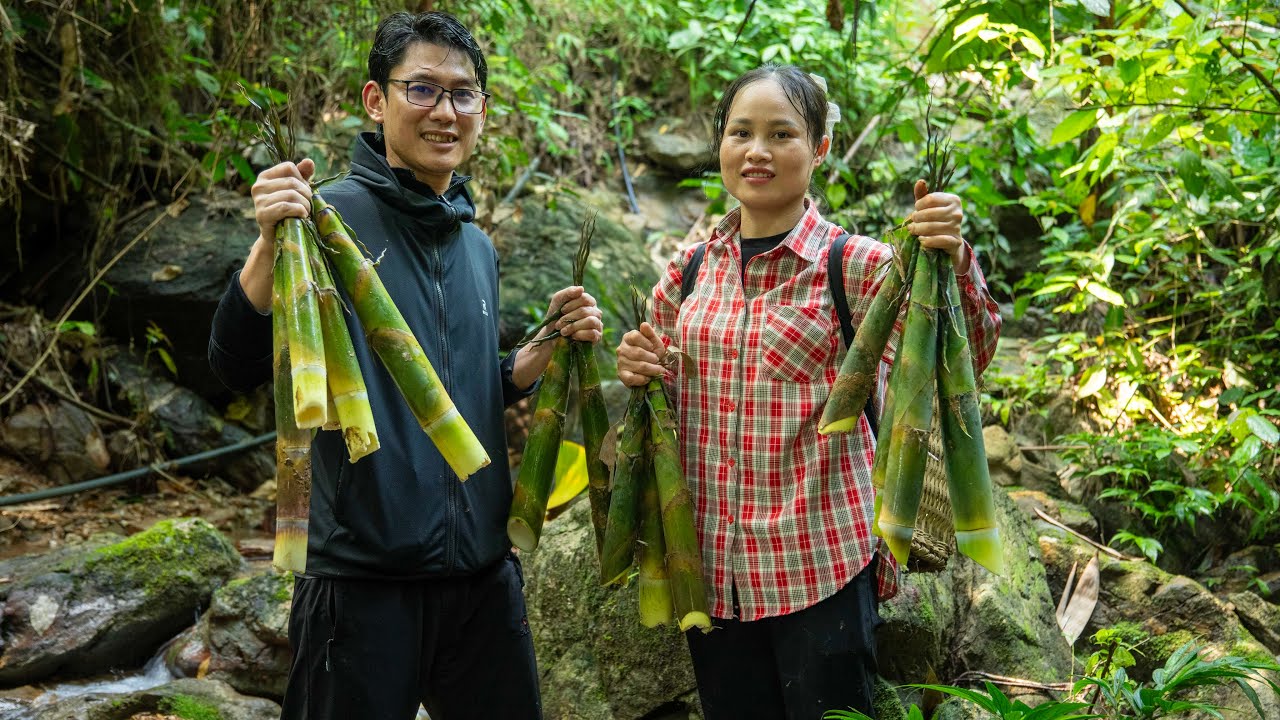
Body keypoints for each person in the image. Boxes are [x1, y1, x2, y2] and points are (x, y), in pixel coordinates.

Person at [208, 11, 602, 720]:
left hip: (481, 577)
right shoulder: (321, 220)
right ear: (375, 99)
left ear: (482, 108)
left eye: (463, 93)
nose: (445, 112)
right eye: (422, 89)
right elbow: (230, 365)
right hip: (364, 583)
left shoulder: (475, 244)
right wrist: (267, 243)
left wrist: (539, 352)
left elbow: (463, 394)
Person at [615, 64, 1001, 720]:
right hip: (710, 570)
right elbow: (662, 387)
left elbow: (970, 354)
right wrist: (637, 365)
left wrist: (955, 258)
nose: (757, 151)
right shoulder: (690, 271)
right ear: (720, 145)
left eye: (781, 134)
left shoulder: (858, 266)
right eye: (741, 133)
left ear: (819, 149)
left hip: (818, 565)